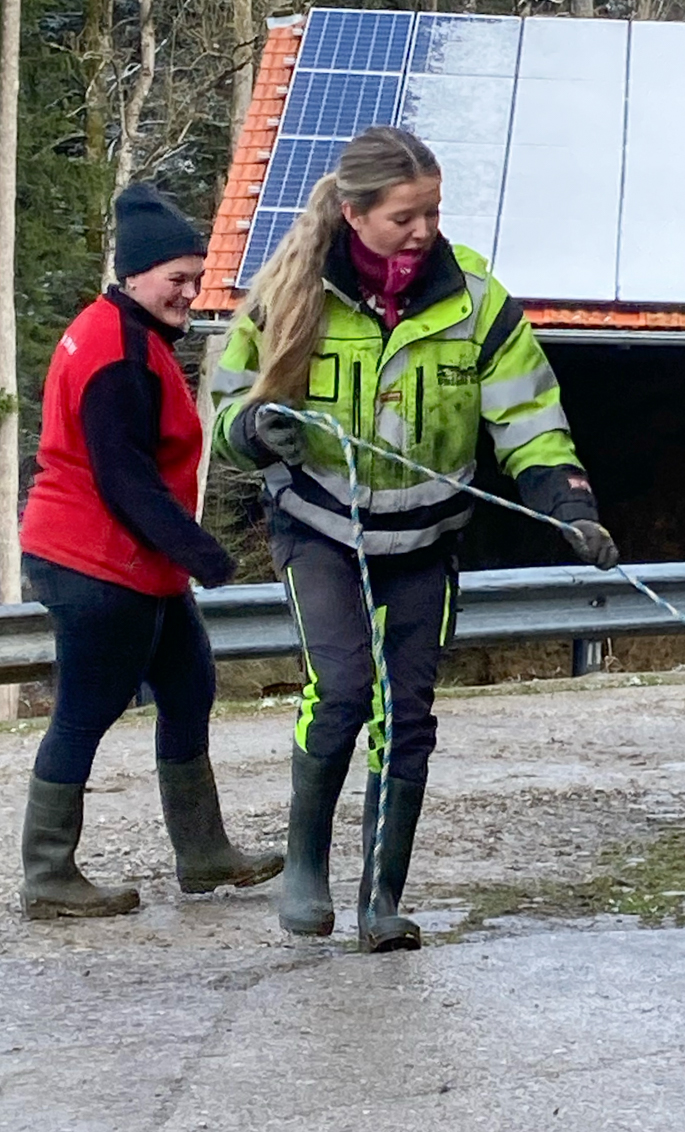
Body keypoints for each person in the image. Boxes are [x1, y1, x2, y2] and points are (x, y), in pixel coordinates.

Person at [211, 125, 618, 953]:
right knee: (343, 690)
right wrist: (255, 427)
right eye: (405, 215)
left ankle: (381, 898)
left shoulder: (476, 297)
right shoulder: (289, 290)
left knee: (409, 713)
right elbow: (219, 409)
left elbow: (529, 419)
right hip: (321, 530)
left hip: (426, 538)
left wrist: (568, 501)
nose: (424, 229)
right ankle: (305, 868)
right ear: (355, 213)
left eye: (432, 211)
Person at [18, 183, 284, 919]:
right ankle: (48, 875)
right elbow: (122, 476)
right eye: (178, 280)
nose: (191, 293)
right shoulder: (114, 352)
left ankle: (203, 855)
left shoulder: (126, 331)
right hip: (95, 560)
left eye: (196, 279)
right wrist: (203, 552)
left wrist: (180, 557)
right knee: (85, 708)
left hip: (138, 562)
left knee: (190, 685)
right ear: (136, 275)